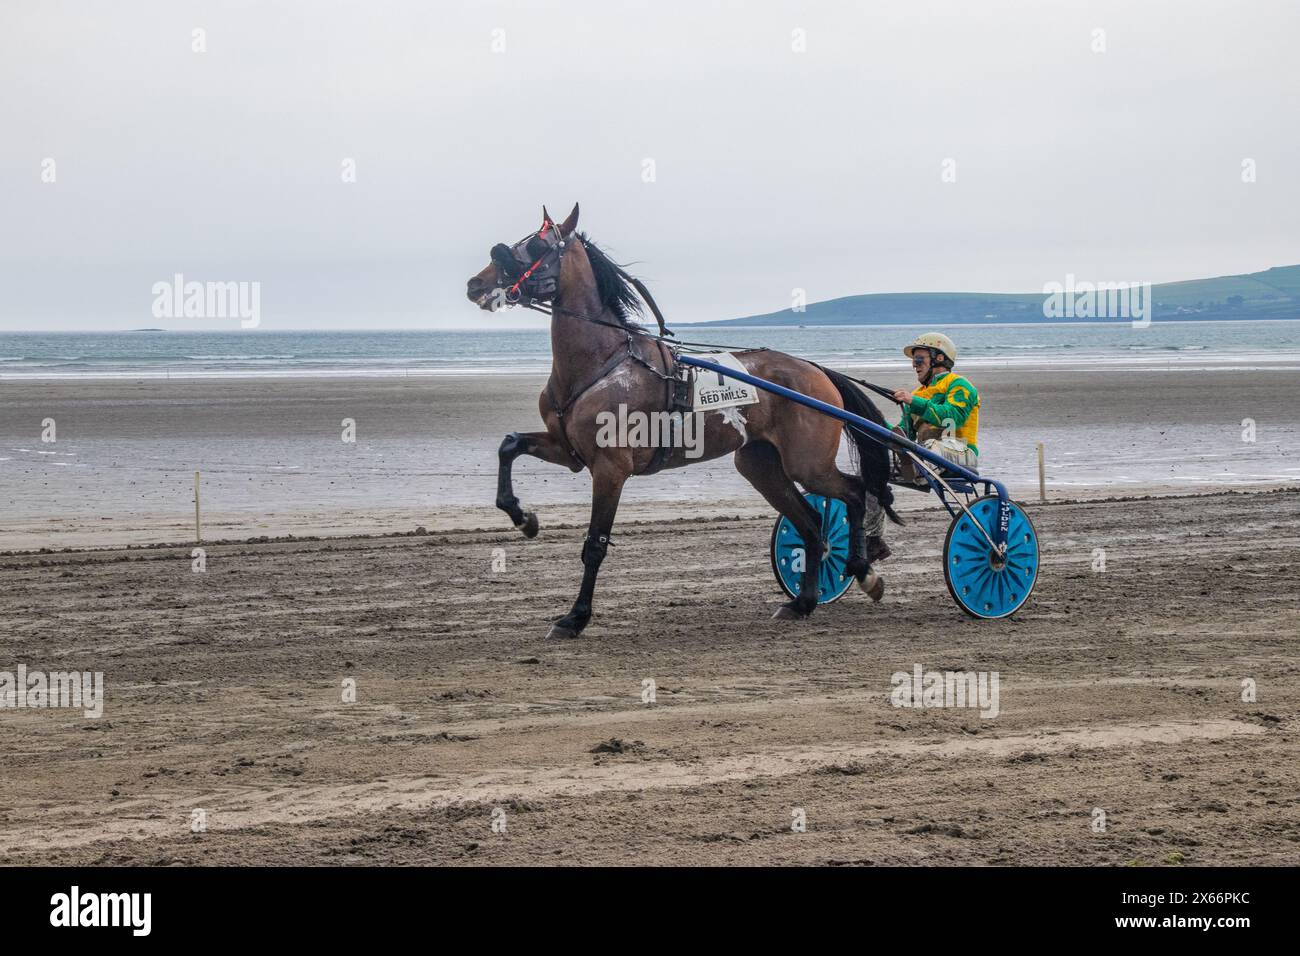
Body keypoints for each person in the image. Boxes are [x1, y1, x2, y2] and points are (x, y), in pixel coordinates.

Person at [861, 332, 979, 597]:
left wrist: (915, 402)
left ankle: (913, 463)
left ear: (939, 359)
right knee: (870, 469)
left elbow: (954, 418)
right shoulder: (917, 394)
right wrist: (882, 431)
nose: (915, 365)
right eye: (914, 361)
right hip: (921, 456)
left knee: (931, 448)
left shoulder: (960, 385)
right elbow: (904, 433)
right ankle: (873, 538)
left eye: (919, 359)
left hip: (960, 452)